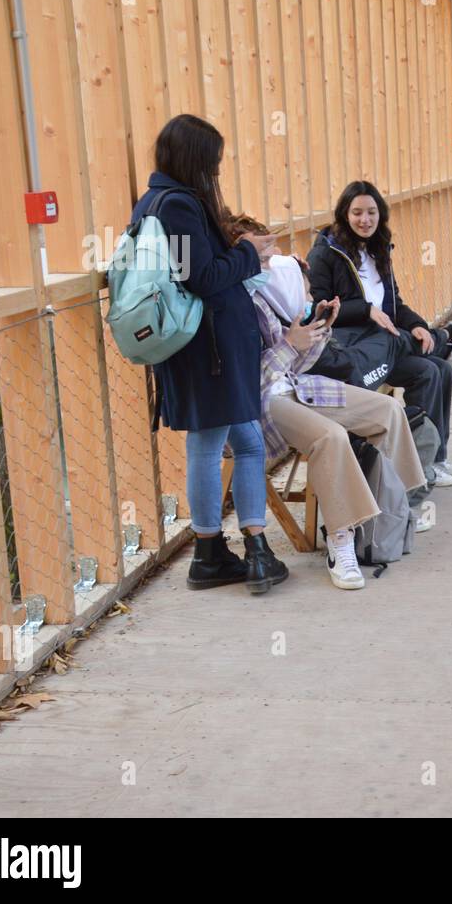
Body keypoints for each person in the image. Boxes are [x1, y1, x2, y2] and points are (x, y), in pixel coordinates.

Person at [129, 113, 289, 595]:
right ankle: (213, 550)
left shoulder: (154, 202)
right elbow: (199, 276)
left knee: (245, 441)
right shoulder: (176, 206)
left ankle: (241, 548)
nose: (217, 171)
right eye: (214, 162)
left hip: (207, 348)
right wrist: (249, 252)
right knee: (209, 443)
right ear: (196, 159)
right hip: (209, 350)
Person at [251, 256, 426, 590]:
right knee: (331, 437)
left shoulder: (270, 302)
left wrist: (320, 327)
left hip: (298, 386)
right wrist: (289, 345)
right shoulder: (242, 305)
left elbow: (301, 364)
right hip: (264, 403)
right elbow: (251, 381)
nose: (307, 296)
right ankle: (340, 540)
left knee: (388, 410)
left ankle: (395, 509)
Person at [306, 181, 452, 486]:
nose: (364, 220)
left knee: (436, 371)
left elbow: (394, 306)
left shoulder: (379, 250)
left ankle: (433, 460)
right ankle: (447, 339)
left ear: (381, 214)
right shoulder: (325, 254)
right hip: (357, 354)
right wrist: (364, 310)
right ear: (343, 214)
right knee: (427, 356)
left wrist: (417, 324)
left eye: (371, 212)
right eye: (356, 213)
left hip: (387, 343)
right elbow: (317, 308)